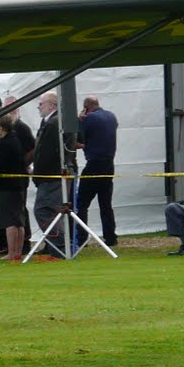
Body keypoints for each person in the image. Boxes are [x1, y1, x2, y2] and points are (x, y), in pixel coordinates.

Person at [75, 95, 119, 247]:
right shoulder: (111, 116)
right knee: (105, 203)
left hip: (94, 164)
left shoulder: (88, 119)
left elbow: (79, 139)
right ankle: (111, 237)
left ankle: (81, 238)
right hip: (109, 164)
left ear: (86, 107)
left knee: (81, 203)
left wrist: (79, 120)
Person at [31, 93, 72, 256]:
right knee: (51, 211)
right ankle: (54, 245)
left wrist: (37, 172)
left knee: (44, 210)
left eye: (41, 104)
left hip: (51, 175)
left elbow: (46, 153)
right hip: (53, 174)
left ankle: (59, 247)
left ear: (52, 105)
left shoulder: (53, 124)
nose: (38, 107)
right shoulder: (53, 122)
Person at [0, 113, 30, 261]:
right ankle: (17, 251)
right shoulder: (16, 140)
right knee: (19, 220)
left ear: (0, 128)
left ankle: (12, 253)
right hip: (18, 185)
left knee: (9, 221)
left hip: (6, 187)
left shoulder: (4, 143)